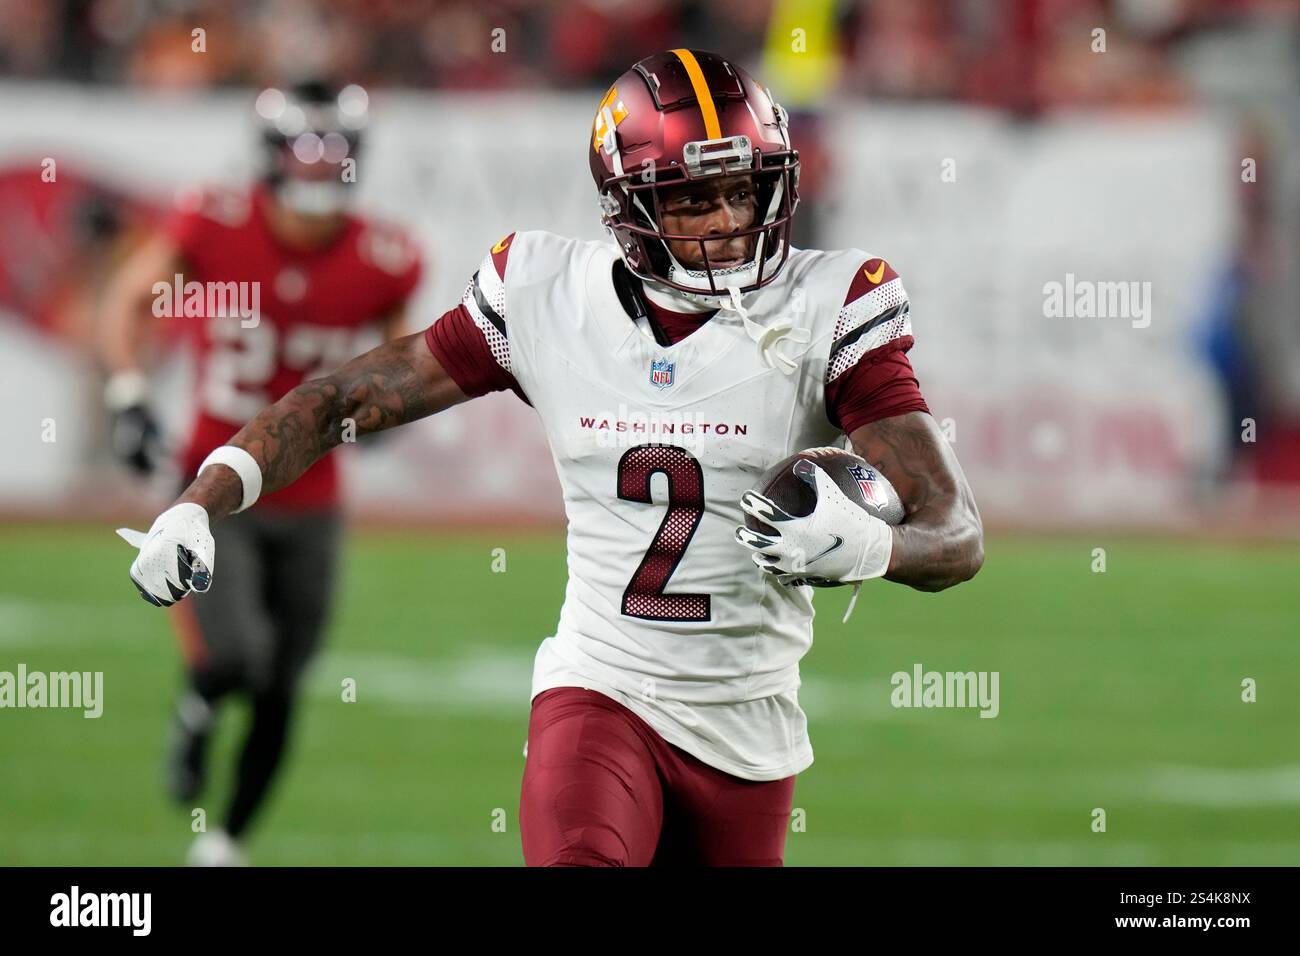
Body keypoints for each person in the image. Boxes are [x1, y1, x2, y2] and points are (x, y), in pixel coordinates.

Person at [117, 50, 981, 866]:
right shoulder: (543, 294)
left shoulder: (833, 304)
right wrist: (202, 499)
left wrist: (878, 548)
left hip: (749, 722)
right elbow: (342, 397)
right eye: (692, 199)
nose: (727, 221)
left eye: (745, 191)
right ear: (629, 205)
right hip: (600, 688)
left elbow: (956, 533)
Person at [103, 80, 423, 866]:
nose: (320, 168)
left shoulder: (385, 258)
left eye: (336, 151)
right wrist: (129, 392)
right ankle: (198, 708)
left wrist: (387, 407)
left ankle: (225, 845)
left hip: (312, 497)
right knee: (236, 657)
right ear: (272, 155)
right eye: (305, 150)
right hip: (216, 486)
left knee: (283, 681)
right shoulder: (215, 222)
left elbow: (402, 357)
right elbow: (127, 300)